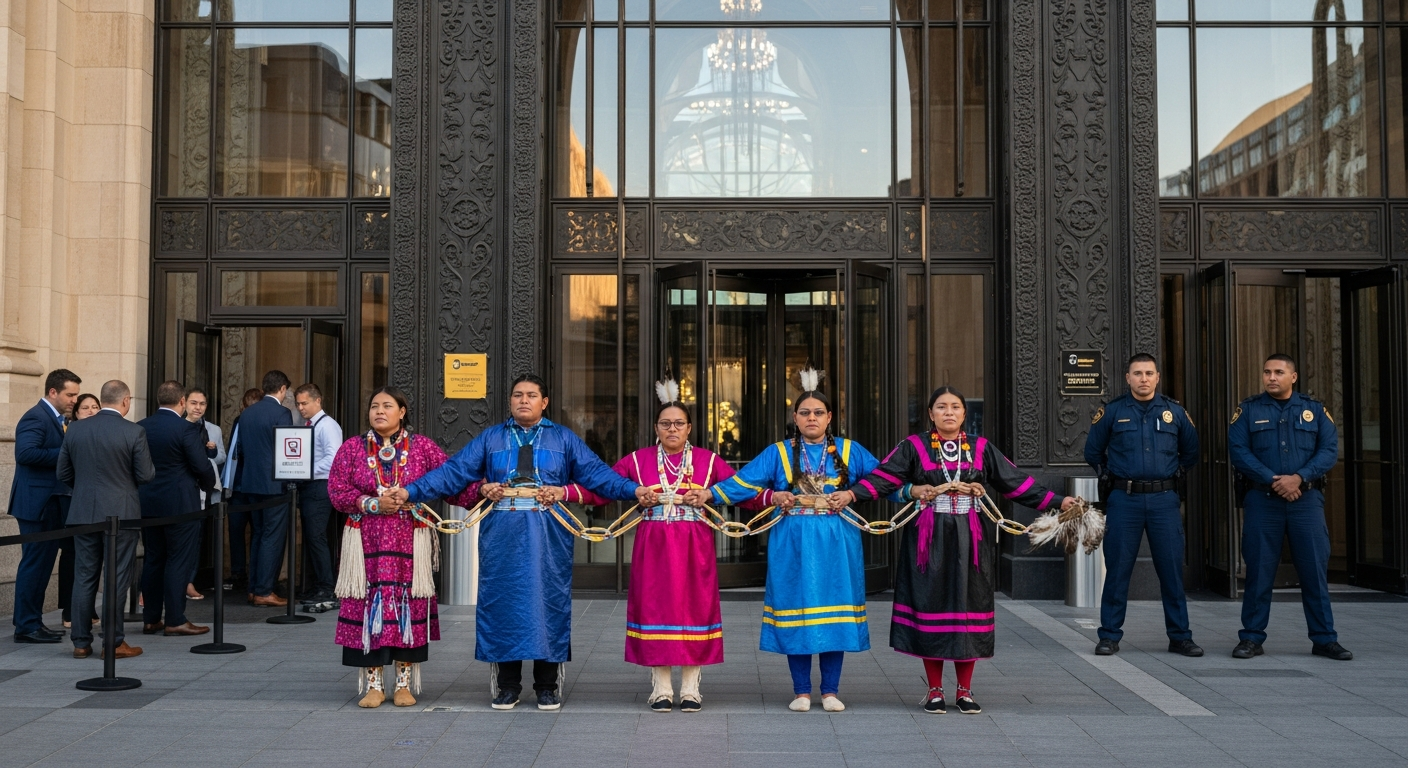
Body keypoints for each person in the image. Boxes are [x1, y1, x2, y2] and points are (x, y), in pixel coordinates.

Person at [385, 374, 651, 711]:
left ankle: (547, 685)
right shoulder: (491, 438)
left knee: (548, 602)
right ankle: (507, 685)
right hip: (502, 532)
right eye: (517, 395)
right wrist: (411, 491)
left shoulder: (563, 439)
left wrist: (633, 490)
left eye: (531, 395)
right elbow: (453, 472)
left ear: (545, 402)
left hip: (548, 530)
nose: (523, 400)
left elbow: (598, 476)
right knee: (503, 603)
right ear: (510, 401)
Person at [852, 386, 1077, 714]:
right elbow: (883, 478)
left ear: (963, 414)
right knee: (931, 605)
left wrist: (1059, 502)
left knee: (969, 607)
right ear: (931, 414)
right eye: (941, 407)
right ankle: (934, 690)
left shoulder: (981, 448)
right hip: (928, 541)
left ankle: (965, 691)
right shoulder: (913, 447)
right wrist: (850, 496)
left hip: (971, 540)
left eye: (955, 407)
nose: (948, 412)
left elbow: (1015, 483)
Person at [569, 379, 768, 713]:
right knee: (655, 609)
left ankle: (691, 688)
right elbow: (603, 487)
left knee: (694, 610)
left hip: (695, 548)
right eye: (665, 423)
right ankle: (661, 688)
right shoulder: (637, 460)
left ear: (689, 428)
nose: (672, 428)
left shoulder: (707, 461)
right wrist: (565, 493)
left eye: (678, 423)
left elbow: (740, 491)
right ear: (655, 428)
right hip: (654, 546)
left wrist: (774, 498)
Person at [686, 376, 880, 713]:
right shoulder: (778, 452)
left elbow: (882, 479)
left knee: (832, 616)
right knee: (797, 611)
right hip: (793, 541)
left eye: (818, 412)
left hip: (837, 540)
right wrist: (708, 494)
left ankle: (831, 691)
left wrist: (856, 493)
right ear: (795, 417)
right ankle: (802, 691)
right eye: (804, 412)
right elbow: (741, 483)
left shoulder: (849, 450)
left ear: (830, 417)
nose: (811, 418)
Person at [327, 387, 479, 708]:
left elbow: (449, 479)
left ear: (402, 411)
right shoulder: (352, 449)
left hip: (410, 541)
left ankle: (404, 683)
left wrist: (483, 493)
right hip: (365, 541)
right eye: (374, 406)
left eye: (386, 406)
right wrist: (369, 502)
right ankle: (372, 685)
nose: (379, 411)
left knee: (407, 603)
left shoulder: (422, 447)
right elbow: (337, 490)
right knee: (368, 604)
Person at [1228, 353, 1351, 661]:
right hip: (1262, 501)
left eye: (1279, 372)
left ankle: (1324, 639)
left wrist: (1299, 477)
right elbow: (1239, 452)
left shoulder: (1313, 410)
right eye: (1267, 372)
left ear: (1293, 377)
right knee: (1259, 572)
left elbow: (1329, 451)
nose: (1271, 377)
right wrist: (1274, 480)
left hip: (1305, 502)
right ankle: (1252, 638)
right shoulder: (1247, 410)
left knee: (1314, 572)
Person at [1083, 354, 1202, 657]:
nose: (1144, 379)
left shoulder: (1174, 412)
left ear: (1158, 377)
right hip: (1125, 500)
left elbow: (1191, 451)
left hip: (1164, 500)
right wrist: (1110, 477)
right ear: (1128, 378)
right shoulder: (1112, 412)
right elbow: (1093, 452)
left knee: (1171, 571)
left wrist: (1171, 476)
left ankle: (1180, 636)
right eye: (1137, 373)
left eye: (1149, 373)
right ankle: (1109, 636)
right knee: (1118, 570)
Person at [58, 380, 154, 659]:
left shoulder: (75, 428)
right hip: (121, 515)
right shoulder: (134, 431)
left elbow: (62, 472)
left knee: (84, 577)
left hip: (83, 512)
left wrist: (86, 490)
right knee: (117, 578)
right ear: (126, 401)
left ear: (102, 400)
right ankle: (113, 642)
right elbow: (146, 475)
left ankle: (80, 642)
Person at [137, 381, 217, 637]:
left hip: (148, 503)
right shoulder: (186, 429)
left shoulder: (141, 426)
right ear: (182, 401)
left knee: (153, 559)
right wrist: (207, 485)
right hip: (181, 505)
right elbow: (202, 466)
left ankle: (150, 619)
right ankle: (174, 619)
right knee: (178, 561)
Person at [9, 369, 80, 643]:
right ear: (53, 392)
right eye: (70, 394)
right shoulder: (35, 416)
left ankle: (31, 622)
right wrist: (67, 452)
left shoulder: (59, 419)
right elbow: (25, 453)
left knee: (41, 566)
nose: (74, 399)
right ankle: (26, 626)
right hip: (36, 506)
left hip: (50, 504)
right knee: (34, 566)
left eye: (75, 394)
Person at [231, 371, 294, 607]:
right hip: (273, 485)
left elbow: (242, 450)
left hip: (249, 483)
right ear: (283, 389)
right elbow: (285, 449)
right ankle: (264, 591)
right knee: (271, 536)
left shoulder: (246, 414)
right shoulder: (281, 412)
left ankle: (253, 588)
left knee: (258, 534)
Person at [294, 382, 343, 610]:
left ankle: (326, 587)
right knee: (312, 538)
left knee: (316, 537)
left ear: (318, 401)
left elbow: (333, 459)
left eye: (304, 403)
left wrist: (305, 471)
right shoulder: (309, 425)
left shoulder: (327, 426)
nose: (301, 407)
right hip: (310, 486)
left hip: (320, 487)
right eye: (298, 404)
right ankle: (319, 584)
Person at [59, 393, 101, 628]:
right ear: (76, 413)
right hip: (72, 502)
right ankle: (69, 611)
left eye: (95, 406)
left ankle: (87, 610)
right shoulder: (72, 432)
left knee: (90, 561)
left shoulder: (101, 431)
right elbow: (63, 471)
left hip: (91, 504)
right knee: (73, 558)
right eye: (85, 407)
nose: (91, 411)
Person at [222, 387, 265, 593]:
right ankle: (250, 575)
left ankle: (241, 573)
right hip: (248, 486)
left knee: (240, 531)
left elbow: (235, 451)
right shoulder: (244, 421)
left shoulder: (242, 421)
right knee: (253, 530)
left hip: (240, 485)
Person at [184, 388, 224, 600]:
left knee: (197, 538)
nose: (198, 407)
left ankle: (189, 581)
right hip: (182, 490)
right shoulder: (178, 426)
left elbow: (221, 457)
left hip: (205, 492)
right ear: (184, 403)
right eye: (193, 403)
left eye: (202, 403)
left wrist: (211, 453)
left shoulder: (213, 429)